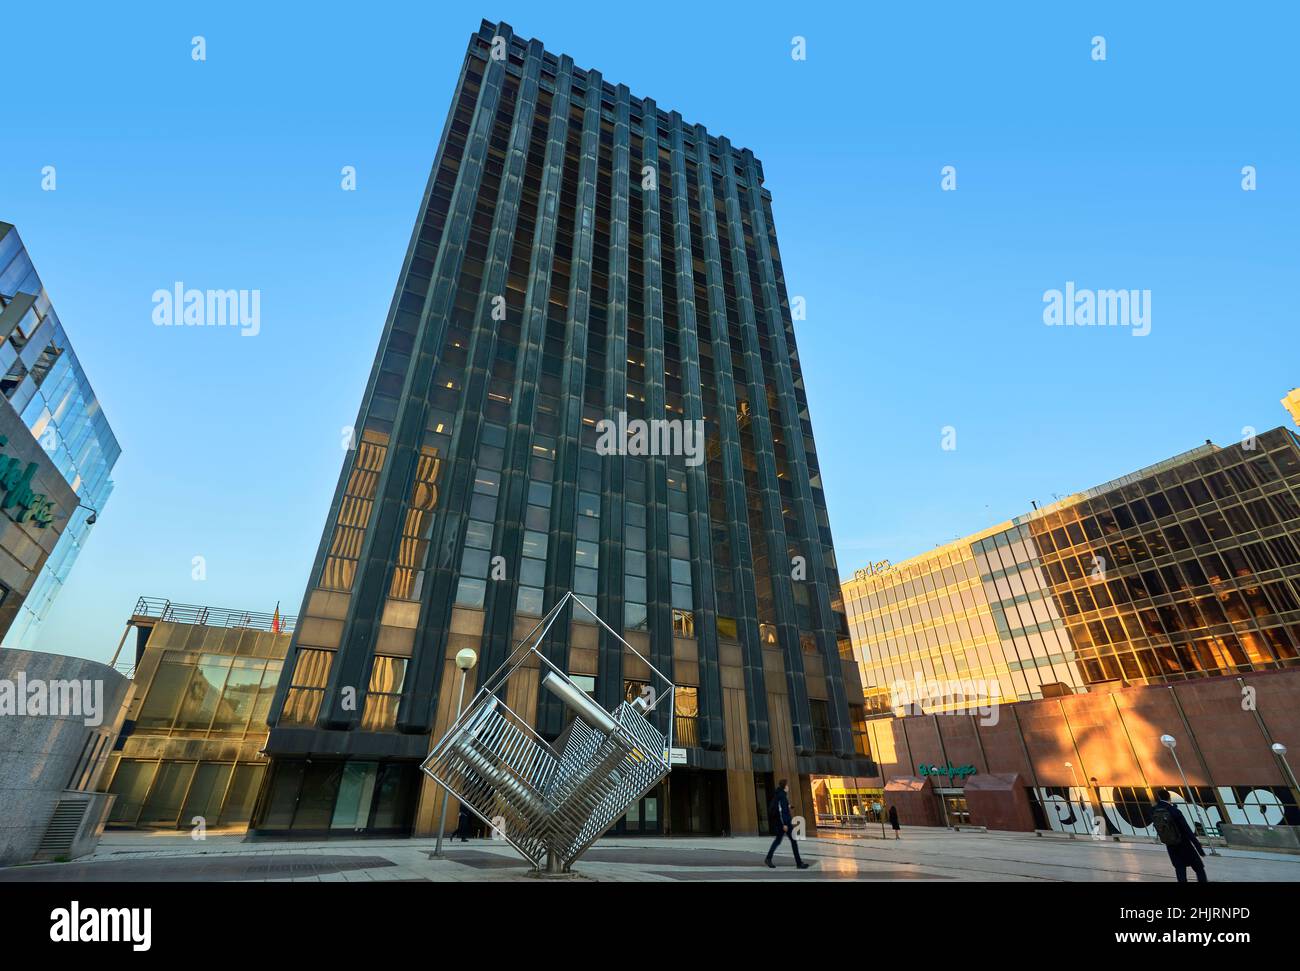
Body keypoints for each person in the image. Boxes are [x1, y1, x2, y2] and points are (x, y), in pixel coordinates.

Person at [1151, 789, 1208, 883]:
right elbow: (1187, 830)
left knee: (1180, 869)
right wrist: (1199, 848)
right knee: (1199, 868)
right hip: (1184, 844)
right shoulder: (1174, 811)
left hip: (1170, 845)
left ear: (1159, 798)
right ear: (1169, 797)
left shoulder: (1154, 811)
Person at [765, 779, 811, 869]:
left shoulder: (780, 795)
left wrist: (789, 806)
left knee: (778, 841)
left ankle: (768, 858)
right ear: (784, 787)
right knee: (793, 841)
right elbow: (781, 811)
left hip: (783, 823)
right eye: (787, 785)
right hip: (785, 823)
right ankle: (799, 863)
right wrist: (784, 824)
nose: (788, 787)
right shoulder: (782, 796)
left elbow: (782, 807)